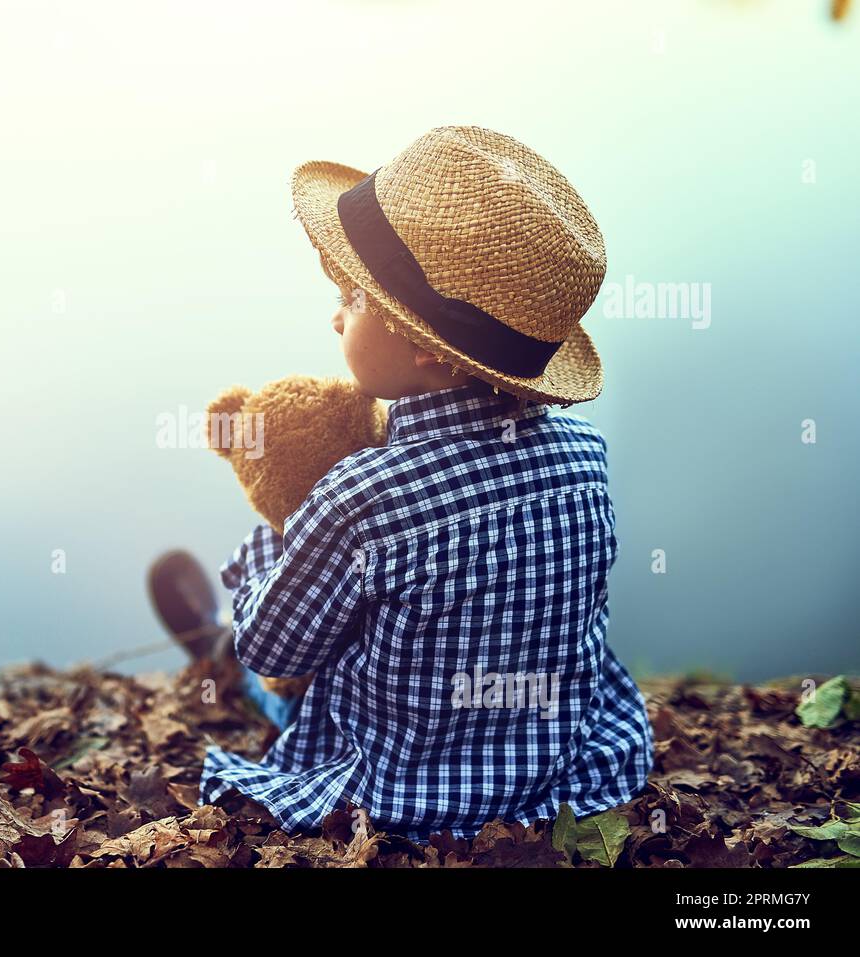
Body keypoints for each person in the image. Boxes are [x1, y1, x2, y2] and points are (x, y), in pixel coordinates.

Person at [149, 127, 653, 840]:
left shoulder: (360, 496)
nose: (334, 314)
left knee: (285, 676)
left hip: (408, 788)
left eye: (351, 297)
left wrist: (281, 540)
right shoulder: (587, 458)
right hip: (559, 768)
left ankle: (212, 650)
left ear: (420, 342)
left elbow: (278, 650)